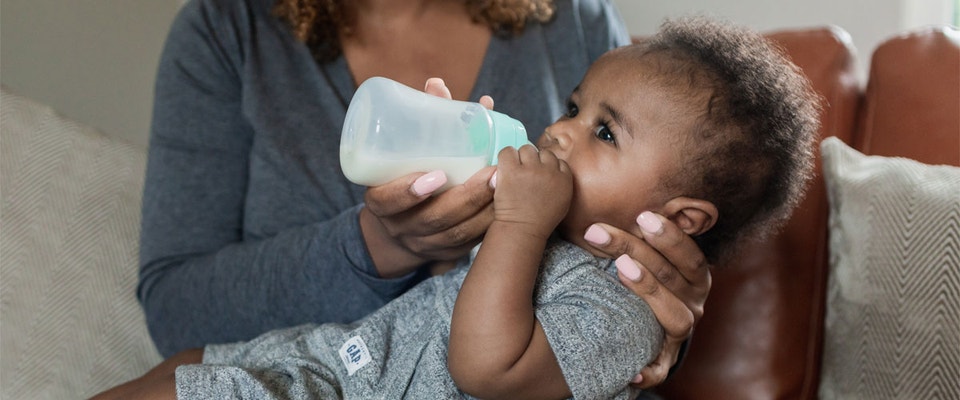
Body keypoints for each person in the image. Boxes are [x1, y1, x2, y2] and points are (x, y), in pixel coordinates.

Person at [96, 16, 819, 399]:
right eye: (571, 107)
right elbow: (176, 300)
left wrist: (516, 224)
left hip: (352, 388)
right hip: (335, 363)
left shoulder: (614, 304)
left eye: (601, 130)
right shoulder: (228, 33)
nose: (558, 130)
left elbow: (484, 369)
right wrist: (402, 233)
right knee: (184, 365)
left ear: (683, 219)